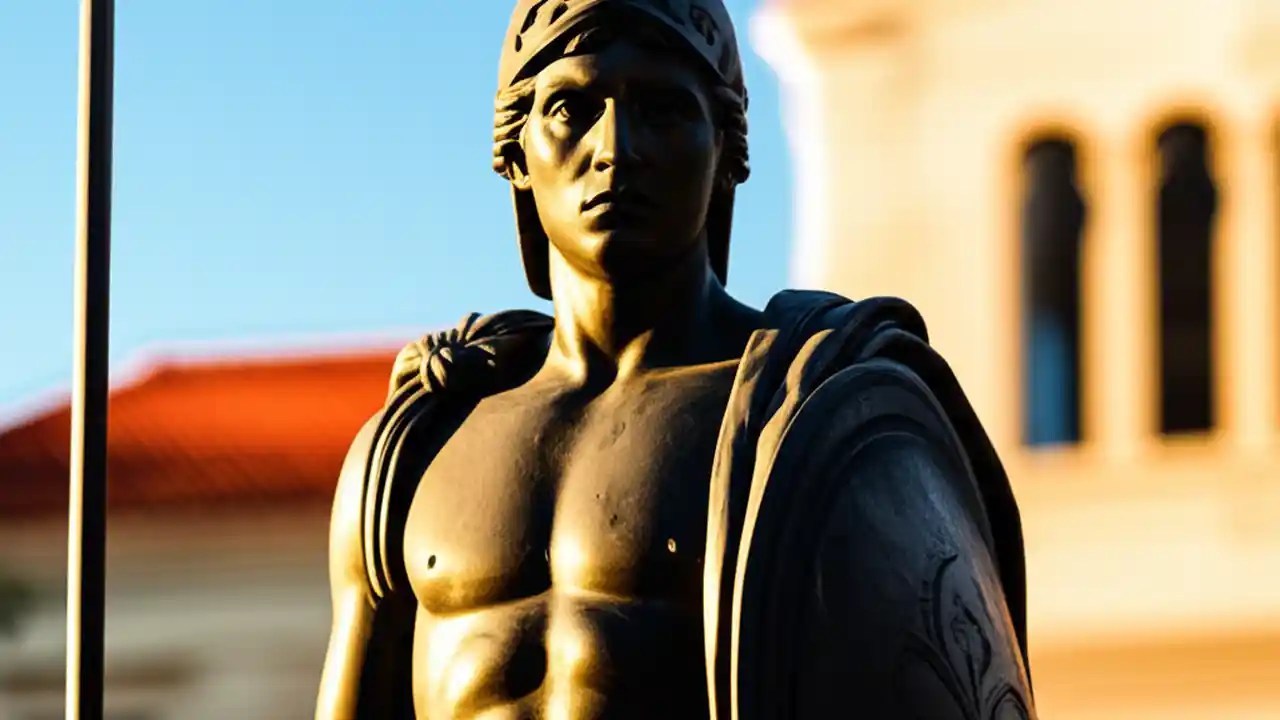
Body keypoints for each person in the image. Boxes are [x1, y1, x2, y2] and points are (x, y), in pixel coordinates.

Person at [315, 1, 1035, 717]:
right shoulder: (416, 448)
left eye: (662, 109)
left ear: (727, 151)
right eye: (570, 109)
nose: (615, 148)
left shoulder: (819, 417)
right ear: (516, 152)